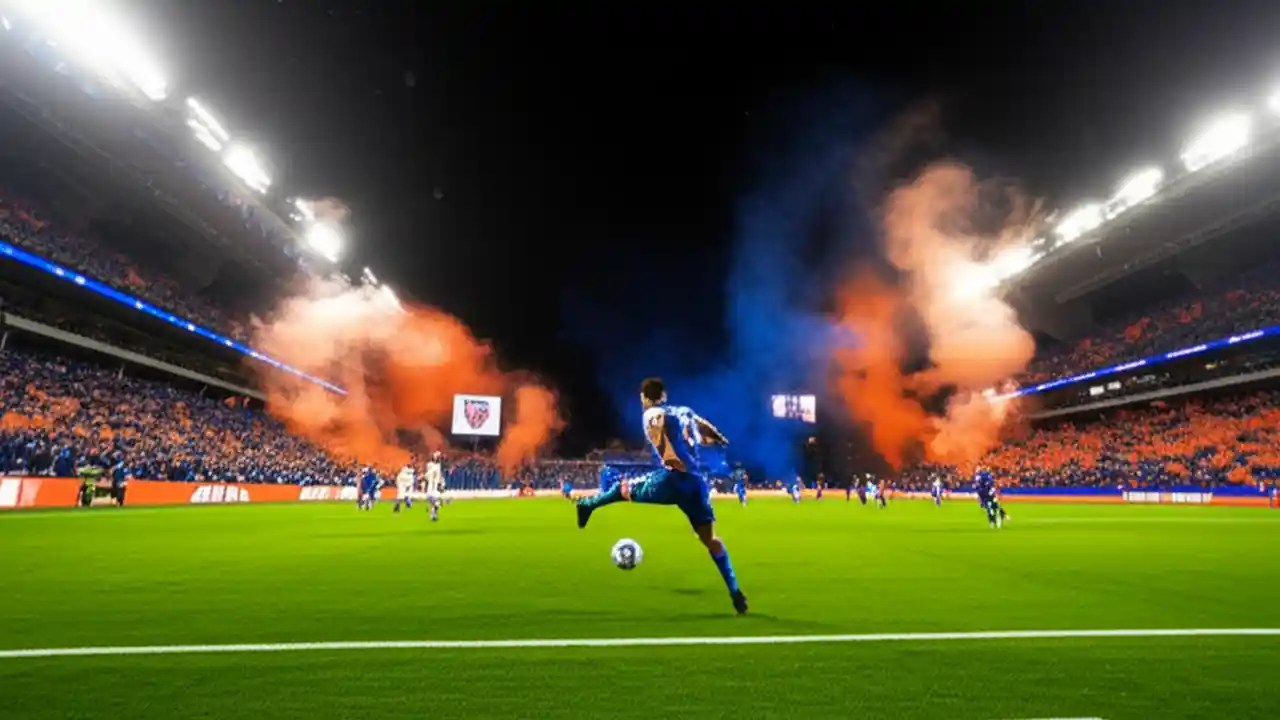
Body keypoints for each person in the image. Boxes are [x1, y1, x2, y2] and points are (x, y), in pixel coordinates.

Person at [576, 377, 747, 614]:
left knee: (624, 488)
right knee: (711, 540)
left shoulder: (651, 414)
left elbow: (660, 426)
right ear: (664, 395)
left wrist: (669, 452)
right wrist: (719, 438)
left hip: (673, 477)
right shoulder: (684, 411)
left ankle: (588, 504)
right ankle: (735, 592)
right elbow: (704, 426)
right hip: (696, 483)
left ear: (645, 398)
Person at [424, 451, 445, 522]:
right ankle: (432, 514)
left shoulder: (439, 465)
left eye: (439, 457)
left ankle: (433, 515)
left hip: (435, 487)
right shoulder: (430, 465)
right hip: (431, 487)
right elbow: (428, 475)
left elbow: (439, 475)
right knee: (436, 503)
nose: (439, 458)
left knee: (437, 504)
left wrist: (441, 484)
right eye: (438, 457)